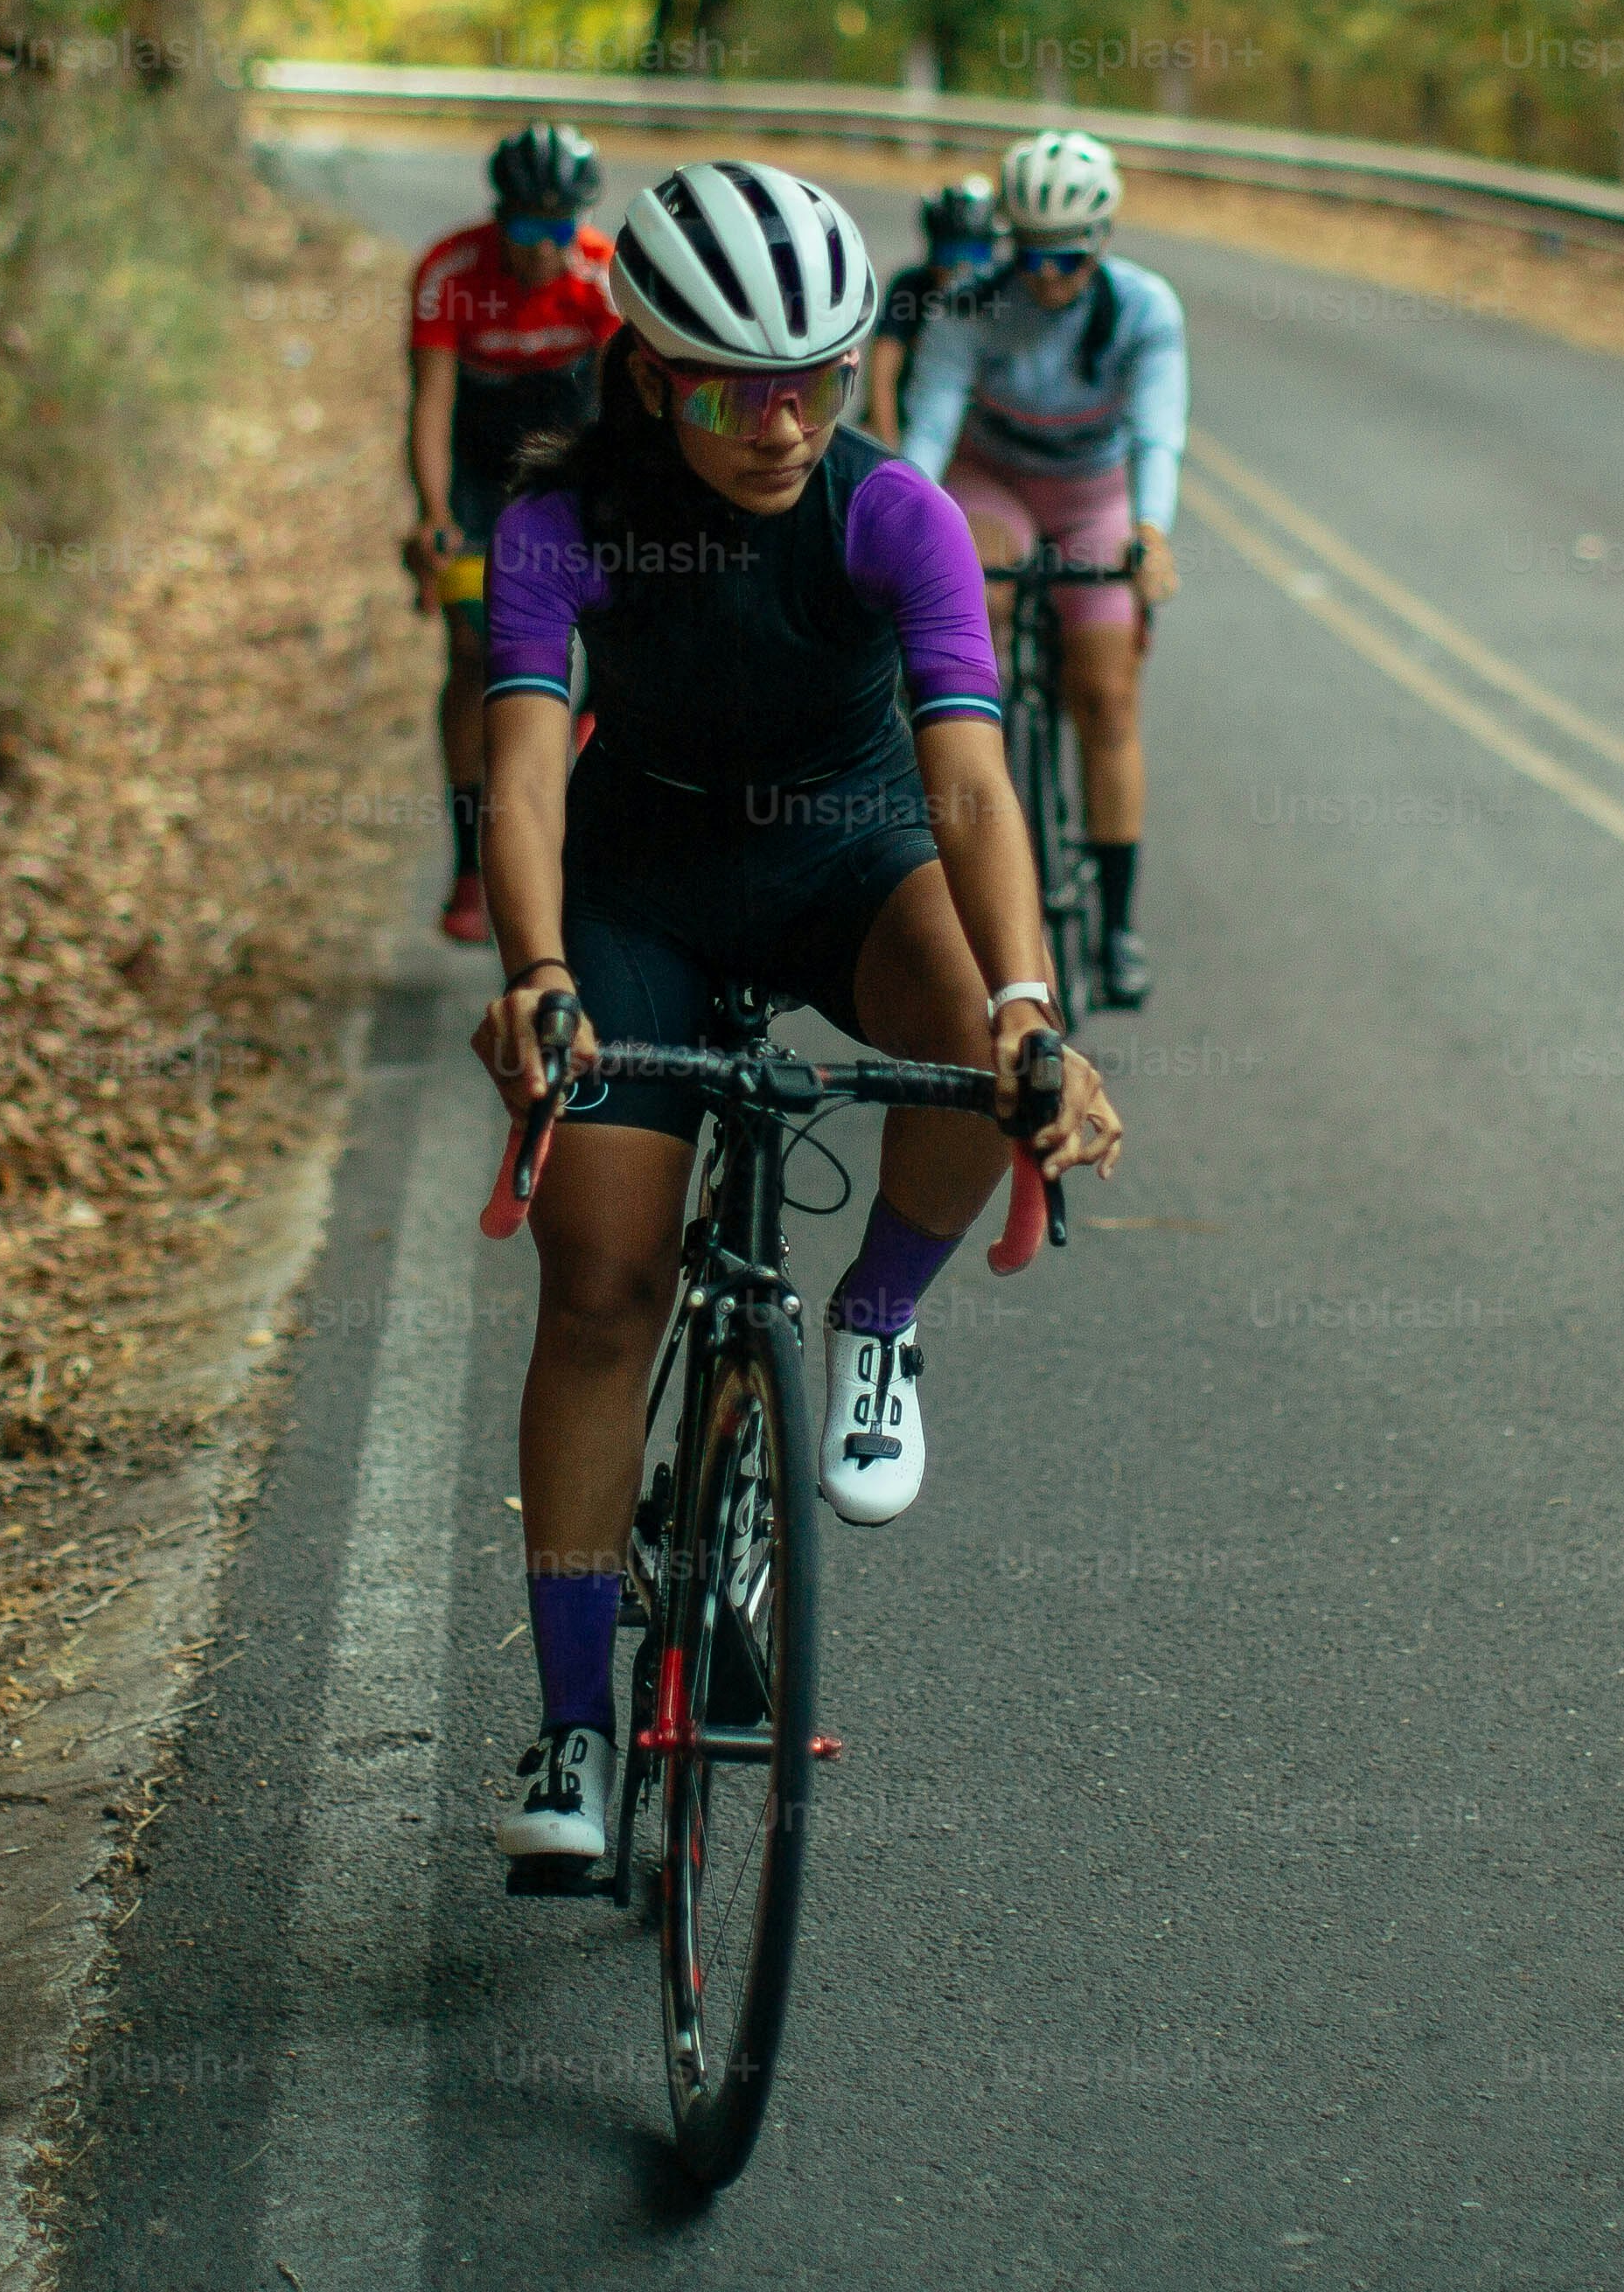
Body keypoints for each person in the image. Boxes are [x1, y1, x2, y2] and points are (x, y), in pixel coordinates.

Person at [466, 158, 1123, 1878]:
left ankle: (879, 1316)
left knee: (979, 1043)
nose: (780, 425)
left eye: (816, 383)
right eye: (730, 391)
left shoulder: (893, 510)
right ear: (646, 375)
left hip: (851, 850)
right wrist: (536, 973)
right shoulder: (560, 522)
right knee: (600, 1287)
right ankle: (570, 1728)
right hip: (641, 885)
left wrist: (1034, 1008)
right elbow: (524, 776)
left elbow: (970, 780)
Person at [894, 128, 1185, 1009]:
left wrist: (1150, 534)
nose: (1048, 277)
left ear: (1102, 240)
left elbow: (1157, 433)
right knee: (975, 597)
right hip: (995, 481)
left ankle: (1118, 925)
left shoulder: (1145, 308)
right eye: (1030, 254)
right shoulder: (968, 307)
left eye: (1068, 257)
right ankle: (984, 793)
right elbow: (930, 428)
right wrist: (906, 527)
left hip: (1095, 493)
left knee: (1107, 697)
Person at [403, 125, 613, 941]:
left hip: (570, 461)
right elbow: (430, 406)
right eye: (527, 228)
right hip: (479, 476)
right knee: (472, 652)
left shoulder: (602, 274)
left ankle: (592, 727)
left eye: (561, 228)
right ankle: (470, 862)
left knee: (620, 605)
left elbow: (623, 408)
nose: (544, 249)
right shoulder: (450, 271)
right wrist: (434, 514)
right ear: (499, 219)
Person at [859, 175, 998, 445]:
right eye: (948, 255)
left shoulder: (1003, 291)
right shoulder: (910, 288)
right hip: (909, 423)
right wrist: (892, 450)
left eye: (975, 254)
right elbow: (882, 375)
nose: (962, 269)